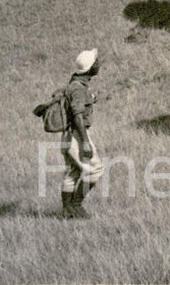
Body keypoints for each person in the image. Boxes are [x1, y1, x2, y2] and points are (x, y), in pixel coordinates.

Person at [61, 48, 103, 219]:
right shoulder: (78, 89)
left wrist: (91, 98)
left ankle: (67, 211)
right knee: (96, 170)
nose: (98, 64)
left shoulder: (76, 84)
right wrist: (85, 142)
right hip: (77, 134)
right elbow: (77, 116)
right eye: (96, 62)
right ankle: (75, 205)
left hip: (69, 134)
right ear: (90, 68)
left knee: (73, 171)